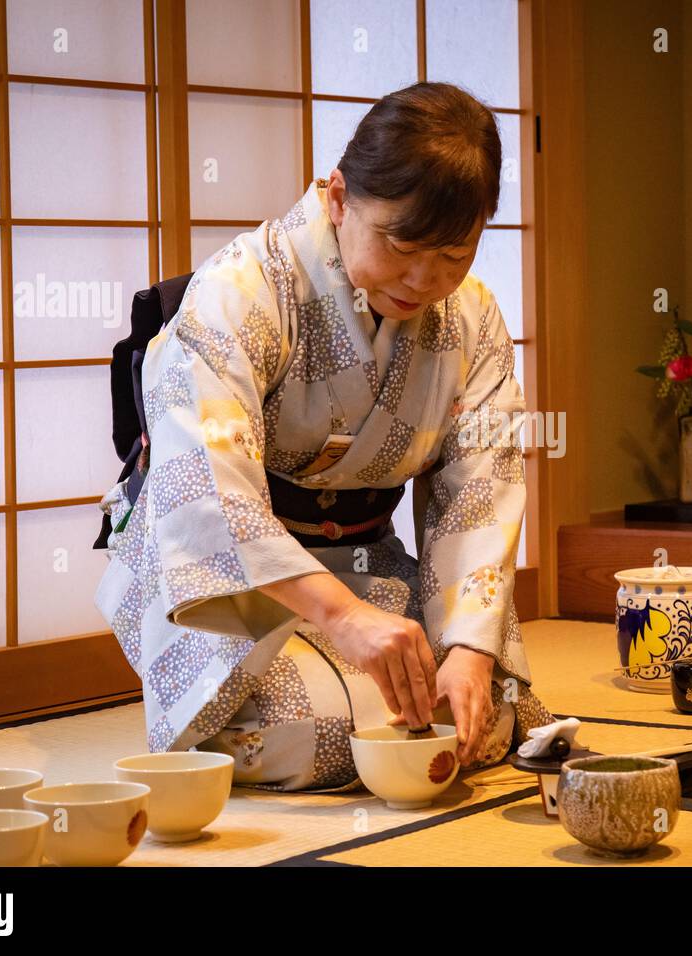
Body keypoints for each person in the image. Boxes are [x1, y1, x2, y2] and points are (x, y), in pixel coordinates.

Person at [94, 81, 554, 792]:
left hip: (367, 564)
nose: (424, 280)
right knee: (320, 732)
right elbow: (205, 492)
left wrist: (467, 647)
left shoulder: (471, 317)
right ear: (338, 197)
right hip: (241, 585)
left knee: (484, 711)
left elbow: (481, 490)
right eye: (402, 244)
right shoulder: (239, 293)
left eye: (454, 256)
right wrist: (343, 620)